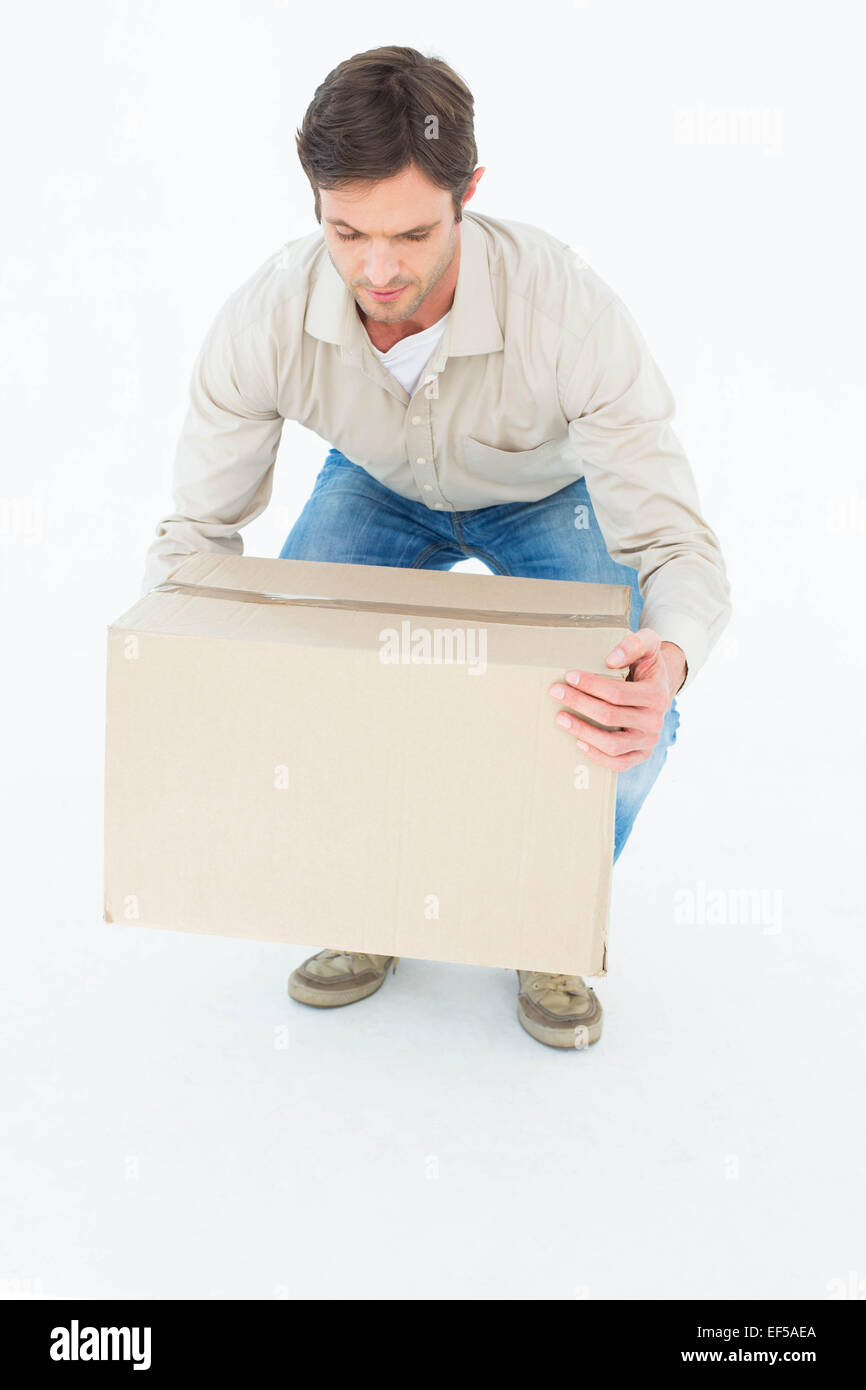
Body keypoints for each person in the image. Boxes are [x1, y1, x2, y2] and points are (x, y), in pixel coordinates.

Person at [141, 46, 732, 1049]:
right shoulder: (265, 317)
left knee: (622, 714)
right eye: (346, 232)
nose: (378, 270)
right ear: (314, 206)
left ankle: (543, 911)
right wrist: (178, 661)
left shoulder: (567, 311)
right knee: (302, 675)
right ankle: (369, 900)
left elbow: (676, 542)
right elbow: (195, 538)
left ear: (469, 195)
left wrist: (666, 659)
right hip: (378, 486)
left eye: (413, 232)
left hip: (548, 497)